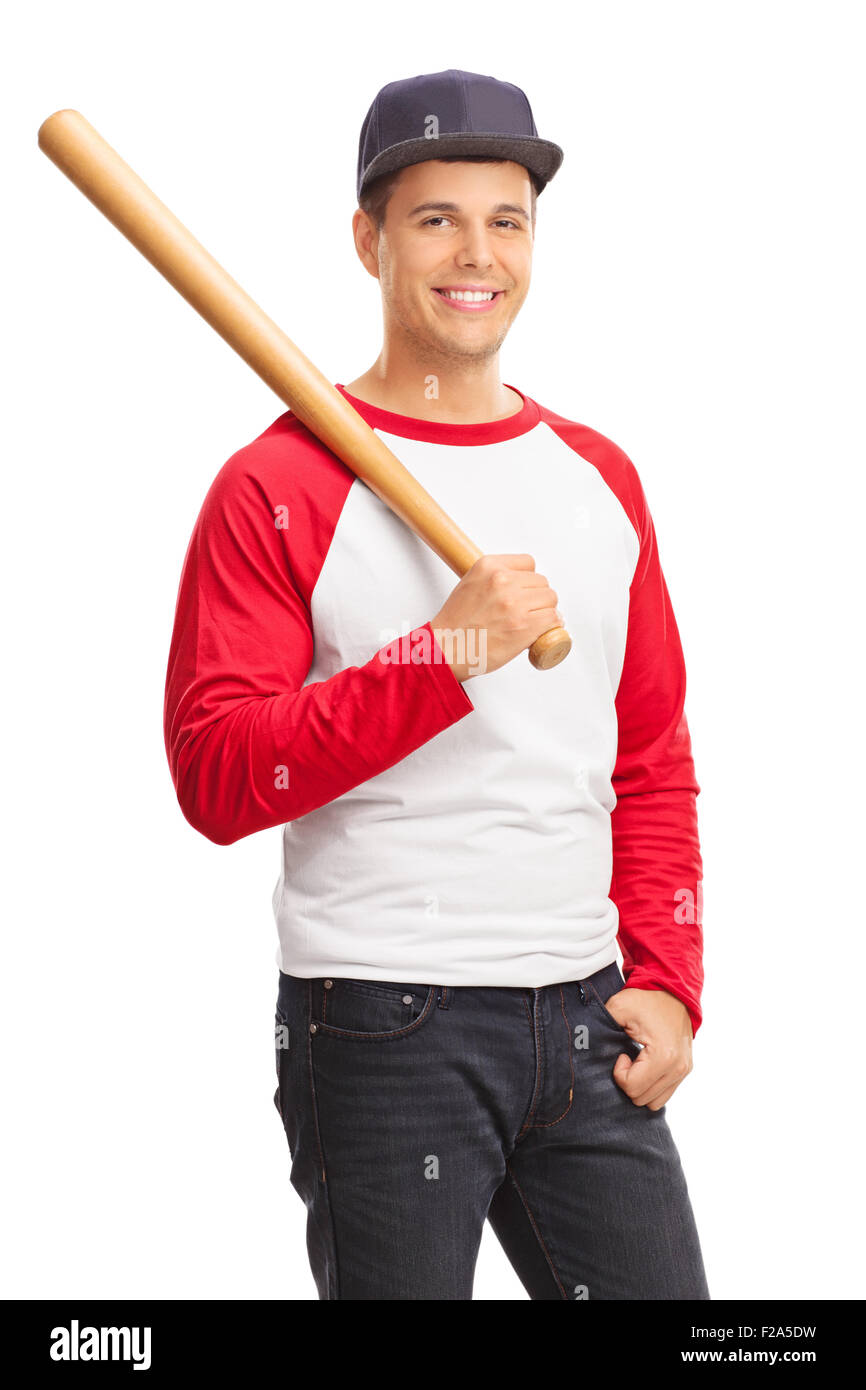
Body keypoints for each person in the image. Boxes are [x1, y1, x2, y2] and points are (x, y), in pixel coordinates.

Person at [163, 68, 710, 1301]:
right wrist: (439, 655)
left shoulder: (598, 480)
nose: (477, 254)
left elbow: (647, 760)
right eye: (434, 219)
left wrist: (668, 980)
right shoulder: (277, 486)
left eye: (505, 220)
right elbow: (214, 773)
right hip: (380, 1025)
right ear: (367, 239)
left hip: (584, 1014)